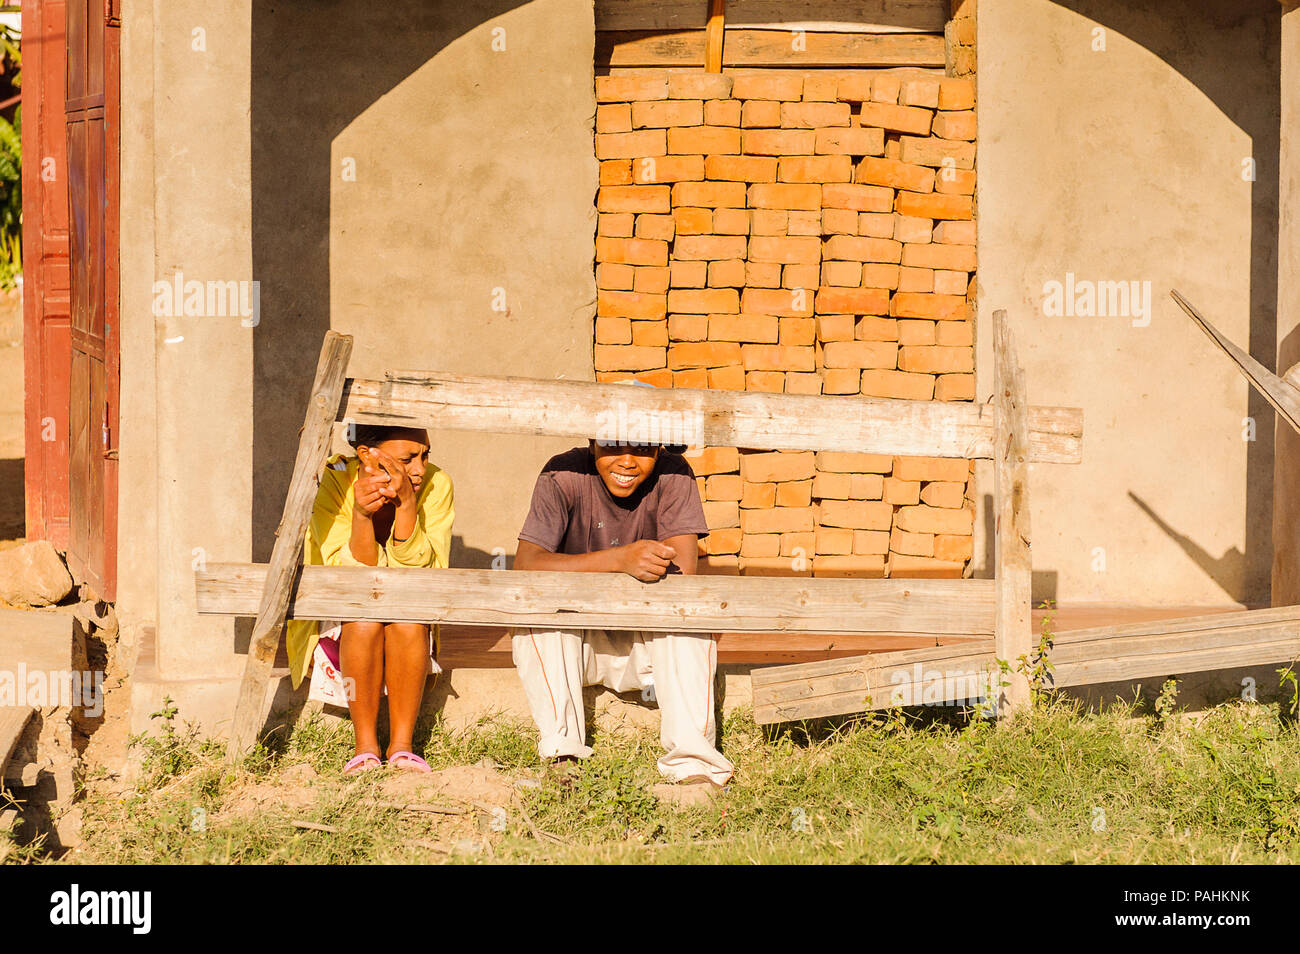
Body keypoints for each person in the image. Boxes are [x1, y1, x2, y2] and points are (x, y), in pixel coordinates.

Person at [510, 437, 734, 792]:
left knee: (690, 620)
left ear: (660, 450)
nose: (628, 461)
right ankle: (562, 757)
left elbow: (683, 571)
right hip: (578, 648)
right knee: (537, 617)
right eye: (614, 447)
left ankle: (695, 767)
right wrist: (619, 560)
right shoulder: (563, 473)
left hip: (648, 653)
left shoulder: (674, 474)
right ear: (592, 443)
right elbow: (526, 565)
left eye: (644, 450)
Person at [285, 424, 454, 775]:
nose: (420, 469)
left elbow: (426, 570)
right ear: (367, 455)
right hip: (344, 612)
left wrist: (407, 506)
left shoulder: (437, 485)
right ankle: (365, 747)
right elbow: (347, 576)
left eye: (425, 456)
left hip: (410, 608)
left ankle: (402, 747)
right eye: (409, 459)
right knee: (363, 621)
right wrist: (362, 516)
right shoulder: (333, 481)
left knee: (407, 622)